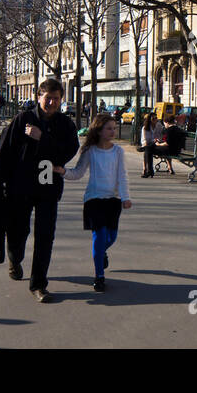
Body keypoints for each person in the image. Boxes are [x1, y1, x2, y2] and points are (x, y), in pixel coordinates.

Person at [0, 77, 79, 303]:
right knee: (18, 231)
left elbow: (65, 154)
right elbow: (4, 154)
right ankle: (14, 258)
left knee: (45, 236)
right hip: (21, 186)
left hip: (48, 187)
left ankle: (38, 284)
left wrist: (42, 138)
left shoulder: (66, 125)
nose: (52, 103)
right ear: (39, 97)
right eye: (48, 98)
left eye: (56, 99)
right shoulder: (22, 120)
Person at [63, 112, 131, 292]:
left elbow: (122, 176)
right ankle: (99, 276)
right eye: (109, 128)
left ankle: (101, 253)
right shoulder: (90, 151)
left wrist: (125, 197)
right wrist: (62, 172)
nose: (112, 131)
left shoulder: (118, 151)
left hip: (113, 200)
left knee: (111, 237)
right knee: (99, 237)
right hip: (94, 200)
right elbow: (77, 173)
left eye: (114, 128)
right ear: (99, 130)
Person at [140, 113, 165, 178]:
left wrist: (157, 140)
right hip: (148, 143)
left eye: (156, 118)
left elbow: (161, 135)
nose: (155, 119)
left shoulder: (159, 125)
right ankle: (147, 170)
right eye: (153, 118)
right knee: (147, 148)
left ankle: (147, 170)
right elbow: (145, 140)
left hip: (156, 144)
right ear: (149, 119)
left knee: (147, 150)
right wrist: (153, 141)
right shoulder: (145, 128)